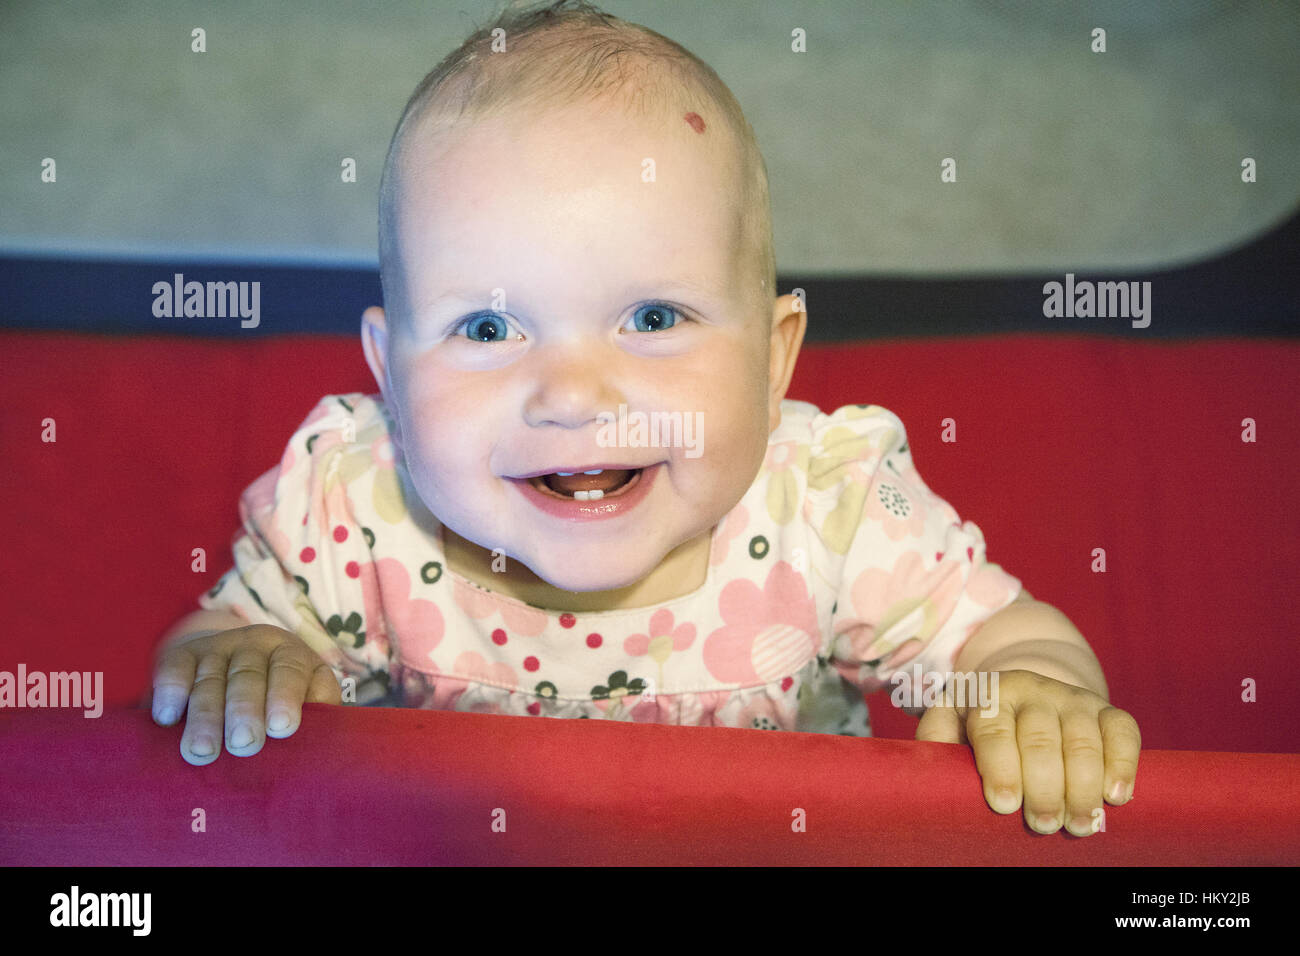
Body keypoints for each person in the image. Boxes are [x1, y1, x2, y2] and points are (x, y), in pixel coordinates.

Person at [151, 0, 1140, 838]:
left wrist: (1028, 686)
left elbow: (993, 637)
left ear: (772, 361)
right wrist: (243, 657)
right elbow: (226, 644)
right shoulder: (358, 506)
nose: (576, 396)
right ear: (390, 379)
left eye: (654, 317)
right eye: (488, 325)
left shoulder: (830, 505)